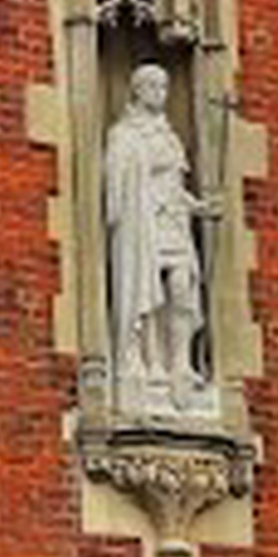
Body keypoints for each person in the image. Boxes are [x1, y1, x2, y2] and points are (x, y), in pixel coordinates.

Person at [104, 63, 211, 413]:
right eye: (152, 86)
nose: (160, 93)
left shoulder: (169, 135)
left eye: (164, 87)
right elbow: (117, 183)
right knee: (146, 293)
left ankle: (181, 363)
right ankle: (150, 367)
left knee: (182, 291)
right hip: (143, 224)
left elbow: (176, 186)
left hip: (175, 224)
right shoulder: (124, 134)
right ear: (136, 90)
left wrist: (201, 208)